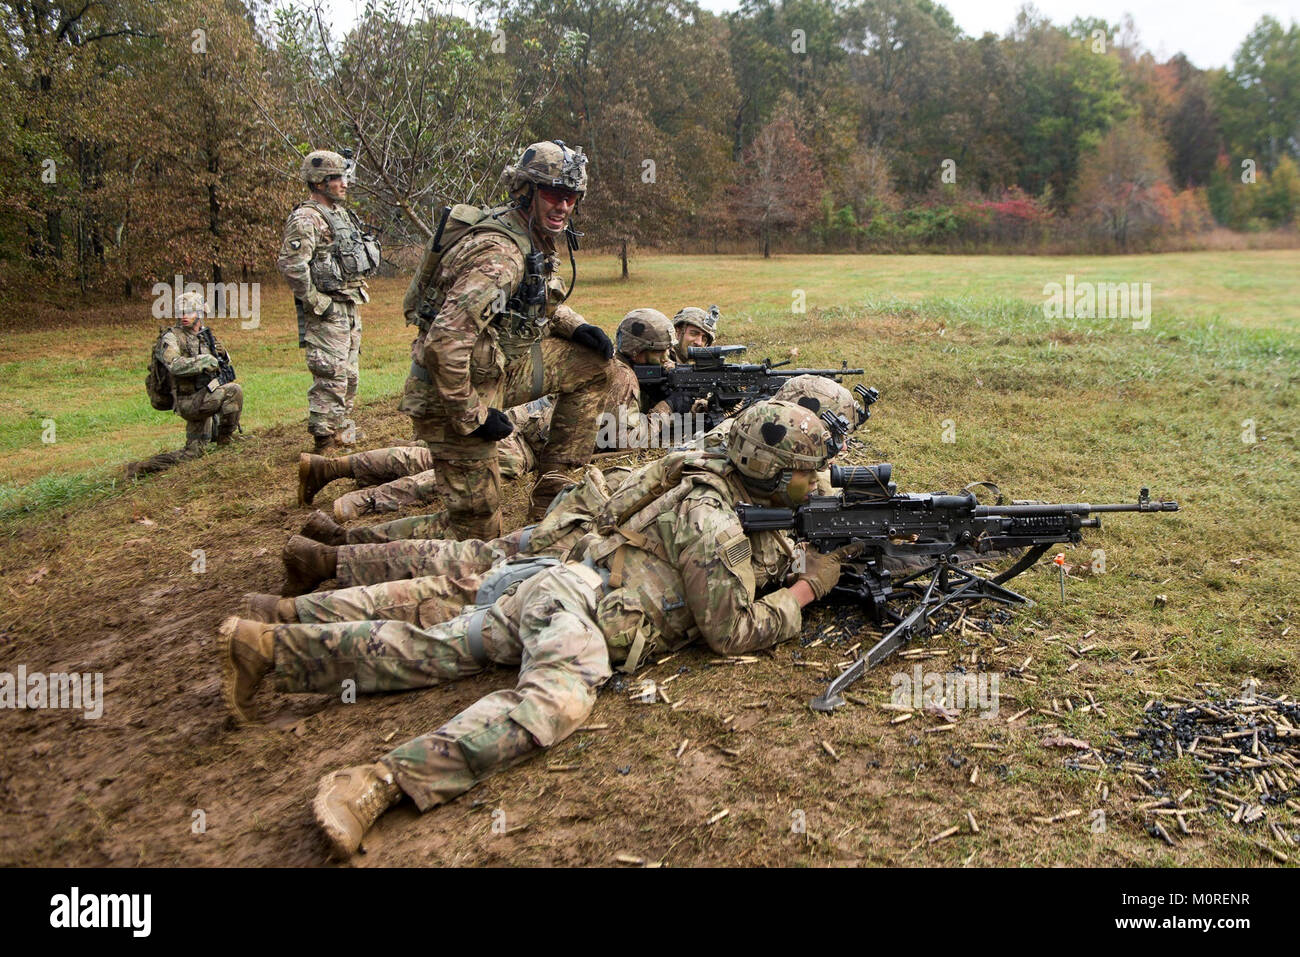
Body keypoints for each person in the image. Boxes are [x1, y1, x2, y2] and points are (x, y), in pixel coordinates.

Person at [216, 400, 857, 857]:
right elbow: (731, 632)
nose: (817, 478)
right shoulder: (715, 525)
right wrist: (808, 588)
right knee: (555, 700)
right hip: (581, 611)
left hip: (563, 587)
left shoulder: (715, 471)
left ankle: (268, 648)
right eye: (807, 470)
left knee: (439, 645)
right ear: (770, 471)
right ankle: (377, 785)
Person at [270, 374, 867, 597]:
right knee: (476, 563)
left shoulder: (744, 442)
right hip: (596, 525)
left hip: (598, 511)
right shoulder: (738, 454)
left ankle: (338, 549)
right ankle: (332, 561)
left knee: (479, 555)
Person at [397, 140, 613, 538]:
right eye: (552, 194)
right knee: (478, 536)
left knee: (595, 367)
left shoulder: (527, 235)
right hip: (449, 396)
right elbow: (444, 343)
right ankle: (333, 552)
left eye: (570, 196)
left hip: (495, 374)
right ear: (527, 192)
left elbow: (531, 305)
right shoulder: (503, 257)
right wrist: (473, 418)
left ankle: (552, 487)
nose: (563, 206)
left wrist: (576, 326)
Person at [294, 308, 677, 523]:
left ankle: (330, 468)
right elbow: (623, 435)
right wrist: (667, 410)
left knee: (424, 457)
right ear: (644, 353)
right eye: (664, 353)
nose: (670, 360)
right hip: (529, 444)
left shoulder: (619, 369)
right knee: (443, 477)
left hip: (521, 422)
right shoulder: (621, 378)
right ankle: (358, 504)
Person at [277, 149, 380, 453]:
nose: (344, 183)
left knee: (349, 375)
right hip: (327, 310)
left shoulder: (340, 214)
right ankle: (323, 442)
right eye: (337, 178)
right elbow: (292, 265)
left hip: (347, 303)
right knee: (330, 374)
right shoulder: (306, 218)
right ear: (320, 182)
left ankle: (340, 431)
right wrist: (317, 302)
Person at [125, 292, 243, 480]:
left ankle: (140, 468)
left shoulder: (204, 336)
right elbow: (174, 365)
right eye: (180, 312)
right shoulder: (172, 338)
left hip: (204, 395)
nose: (183, 316)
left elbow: (223, 362)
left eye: (188, 312)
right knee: (234, 391)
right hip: (189, 402)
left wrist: (222, 355)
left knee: (193, 454)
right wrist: (203, 361)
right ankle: (225, 443)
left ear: (199, 312)